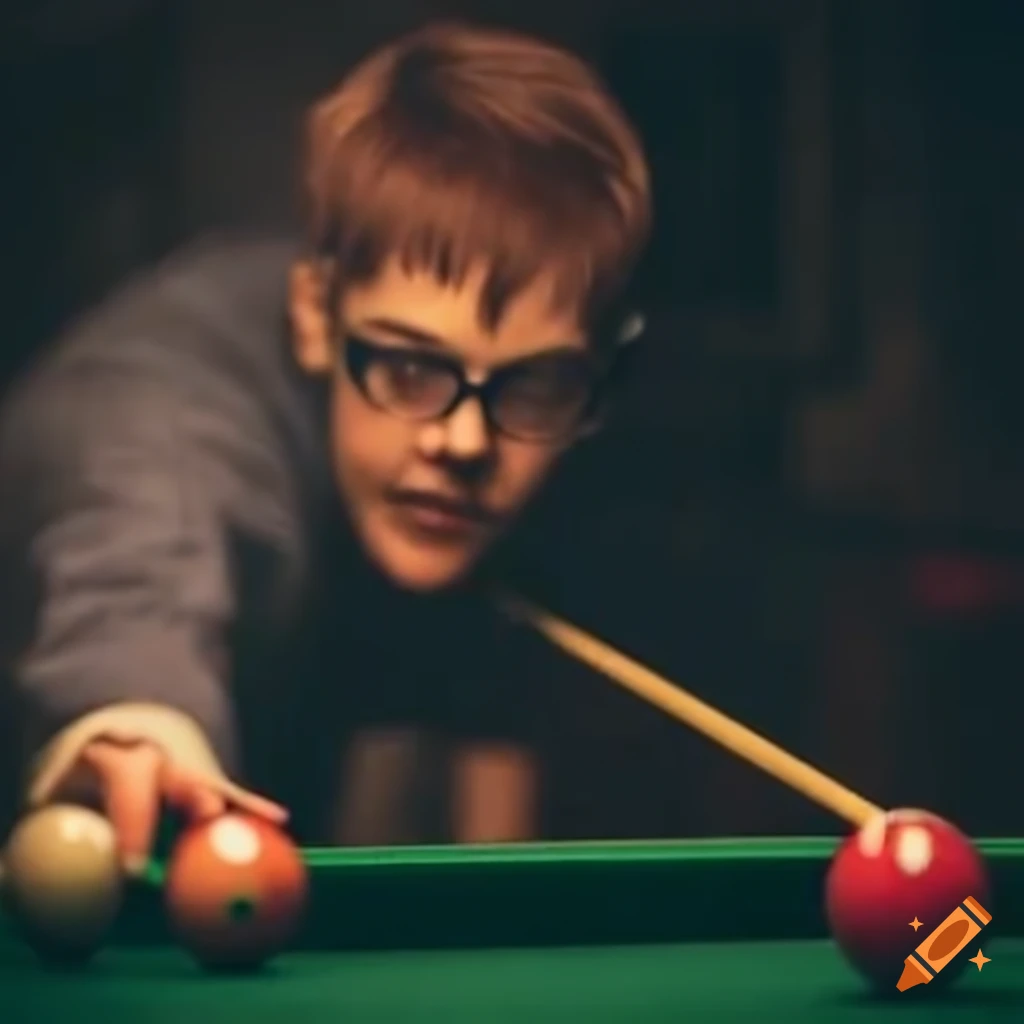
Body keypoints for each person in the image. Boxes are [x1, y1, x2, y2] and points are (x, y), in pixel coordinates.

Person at [0, 21, 650, 870]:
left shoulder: (495, 438)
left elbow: (491, 701)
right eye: (414, 366)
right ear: (315, 313)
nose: (464, 441)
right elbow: (134, 575)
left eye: (530, 384)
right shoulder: (155, 429)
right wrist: (134, 724)